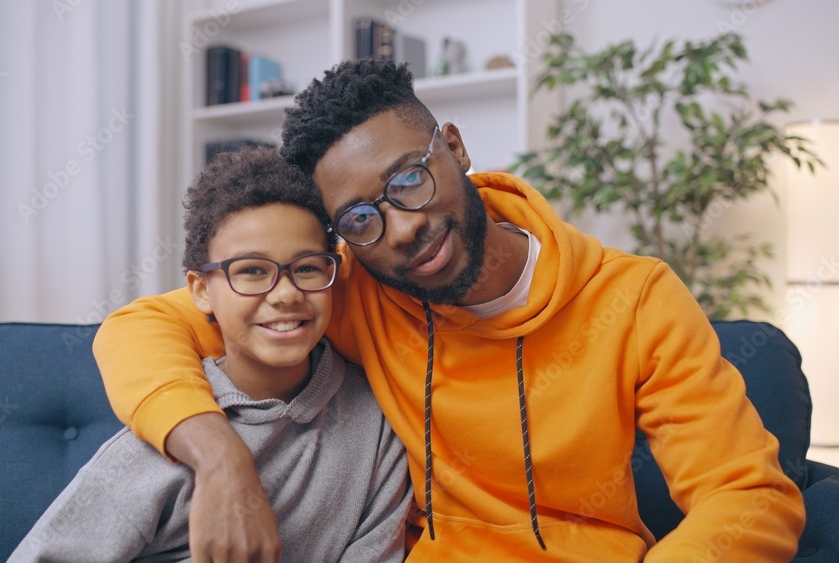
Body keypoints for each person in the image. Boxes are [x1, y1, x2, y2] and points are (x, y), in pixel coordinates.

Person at [93, 59, 805, 561]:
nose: (401, 228)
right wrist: (220, 460)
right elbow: (138, 326)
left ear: (455, 148)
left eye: (408, 179)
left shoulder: (636, 299)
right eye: (362, 217)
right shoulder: (350, 290)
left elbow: (745, 492)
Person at [9, 147, 411, 562]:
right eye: (252, 271)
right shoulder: (163, 445)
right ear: (201, 290)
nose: (287, 294)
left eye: (308, 267)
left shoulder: (378, 422)